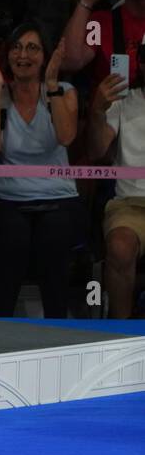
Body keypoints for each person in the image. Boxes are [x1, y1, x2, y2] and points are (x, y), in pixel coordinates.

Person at [0, 24, 81, 318]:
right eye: (16, 47)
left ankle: (57, 333)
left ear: (45, 56)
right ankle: (0, 333)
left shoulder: (64, 92)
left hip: (58, 197)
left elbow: (66, 136)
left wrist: (51, 85)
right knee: (14, 236)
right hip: (7, 199)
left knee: (54, 237)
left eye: (32, 48)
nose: (23, 55)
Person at [86, 66, 145, 319]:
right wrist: (98, 110)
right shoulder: (123, 101)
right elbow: (97, 151)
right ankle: (122, 334)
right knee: (120, 246)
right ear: (141, 62)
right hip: (129, 204)